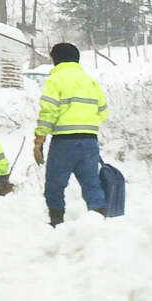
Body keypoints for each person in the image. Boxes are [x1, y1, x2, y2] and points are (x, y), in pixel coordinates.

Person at [34, 42, 108, 226]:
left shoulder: (55, 79)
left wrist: (39, 139)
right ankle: (99, 221)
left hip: (64, 142)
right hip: (90, 141)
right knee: (91, 183)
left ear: (55, 59)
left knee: (55, 184)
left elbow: (49, 111)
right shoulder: (89, 81)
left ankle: (56, 222)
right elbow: (103, 112)